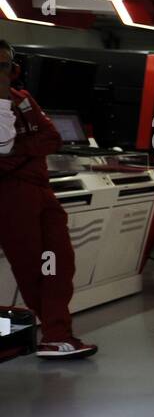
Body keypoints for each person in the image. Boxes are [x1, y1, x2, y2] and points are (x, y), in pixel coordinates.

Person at [0, 40, 97, 358]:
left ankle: (58, 333)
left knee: (59, 263)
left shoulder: (22, 99)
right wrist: (25, 149)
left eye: (4, 66)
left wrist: (19, 152)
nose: (2, 73)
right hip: (11, 199)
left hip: (41, 193)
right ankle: (55, 334)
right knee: (31, 268)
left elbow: (52, 138)